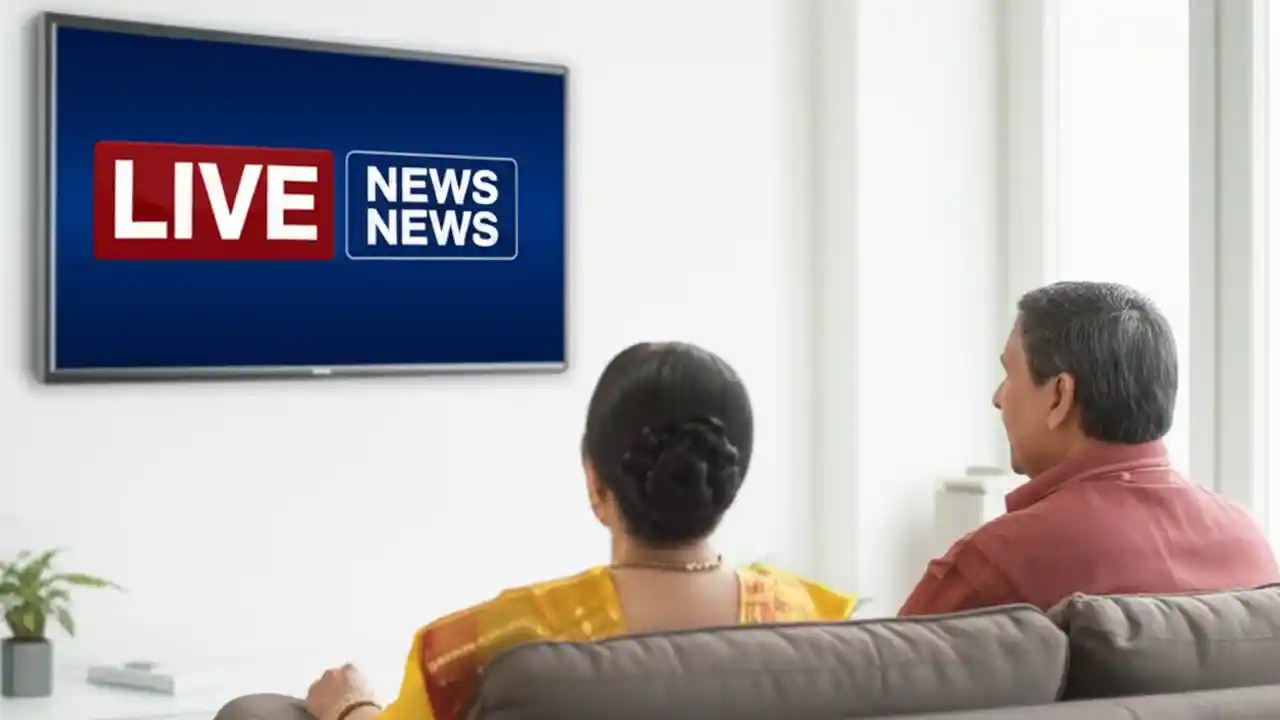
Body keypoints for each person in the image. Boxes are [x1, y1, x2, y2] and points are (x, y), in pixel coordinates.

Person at [304, 342, 856, 720]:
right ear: (730, 480)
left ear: (595, 481)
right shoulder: (813, 623)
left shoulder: (491, 642)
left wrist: (353, 708)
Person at [900, 281, 1279, 617]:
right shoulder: (1249, 545)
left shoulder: (999, 563)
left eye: (1009, 374)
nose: (998, 398)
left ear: (1059, 397)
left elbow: (879, 684)